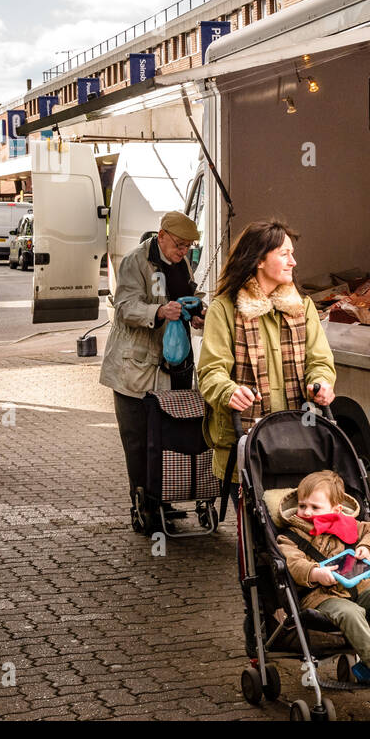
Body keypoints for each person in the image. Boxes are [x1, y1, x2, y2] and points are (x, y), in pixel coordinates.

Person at [198, 219, 336, 485]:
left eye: (292, 254)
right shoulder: (224, 309)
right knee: (255, 521)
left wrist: (321, 383)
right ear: (259, 260)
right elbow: (210, 372)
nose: (293, 262)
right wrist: (229, 391)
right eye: (284, 254)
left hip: (300, 439)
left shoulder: (303, 307)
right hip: (245, 440)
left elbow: (320, 361)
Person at [99, 211, 205, 517]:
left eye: (188, 247)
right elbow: (125, 309)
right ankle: (144, 504)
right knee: (138, 441)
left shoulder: (180, 262)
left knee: (166, 437)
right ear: (161, 236)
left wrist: (196, 311)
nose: (184, 251)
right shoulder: (135, 262)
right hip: (136, 371)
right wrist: (159, 312)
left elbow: (188, 296)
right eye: (180, 245)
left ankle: (165, 500)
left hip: (174, 367)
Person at [276, 470, 370, 690]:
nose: (306, 512)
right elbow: (292, 562)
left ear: (336, 509)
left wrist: (367, 548)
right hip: (321, 597)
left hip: (359, 587)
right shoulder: (290, 536)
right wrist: (314, 572)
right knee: (351, 612)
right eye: (302, 506)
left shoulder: (350, 525)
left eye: (315, 507)